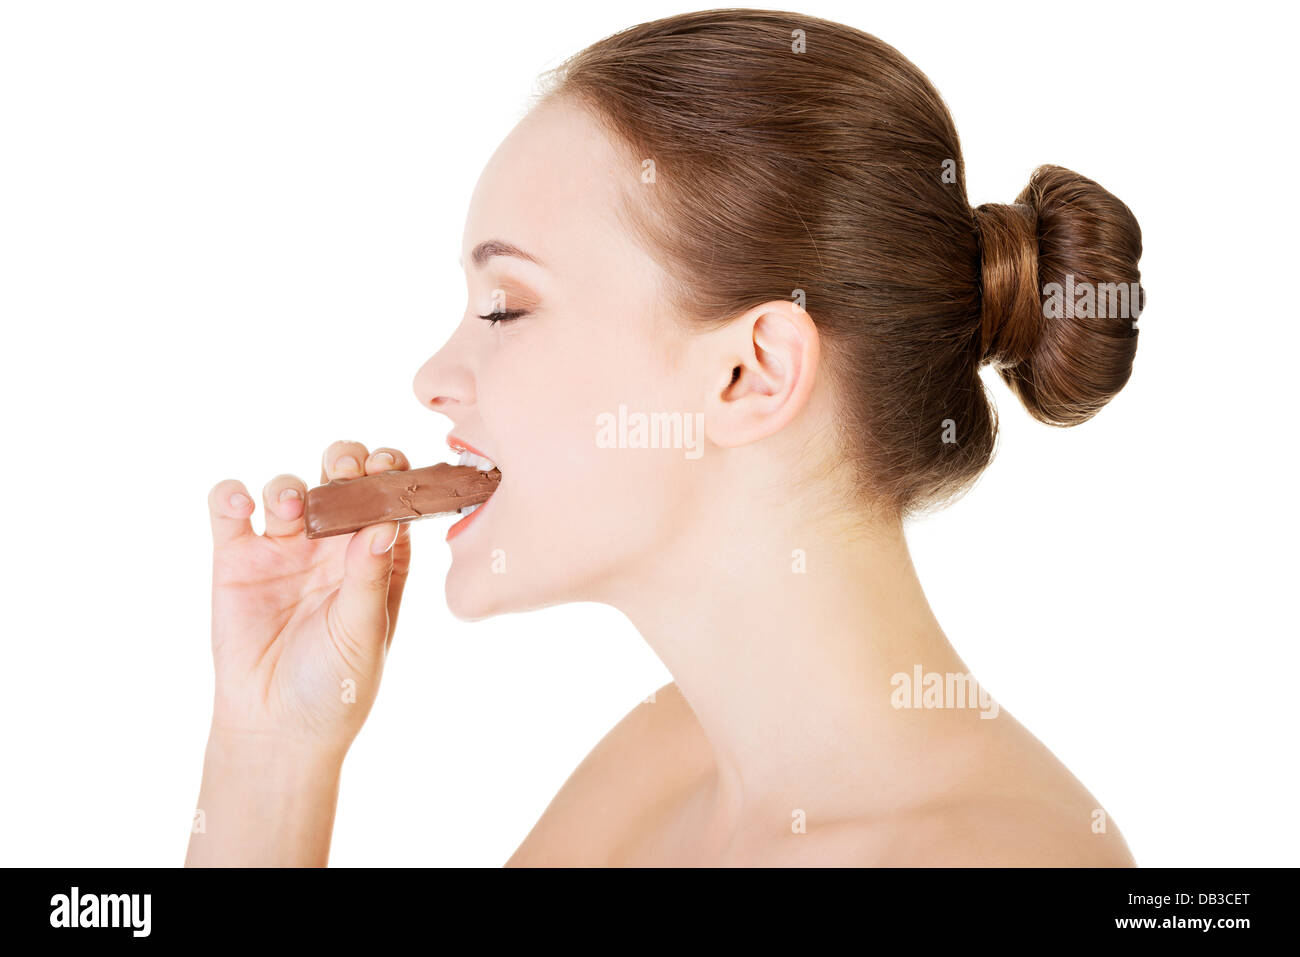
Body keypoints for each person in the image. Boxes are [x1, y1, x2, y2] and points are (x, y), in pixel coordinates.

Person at [187, 9, 1142, 866]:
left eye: (507, 307)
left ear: (751, 373)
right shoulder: (653, 767)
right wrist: (269, 751)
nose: (433, 379)